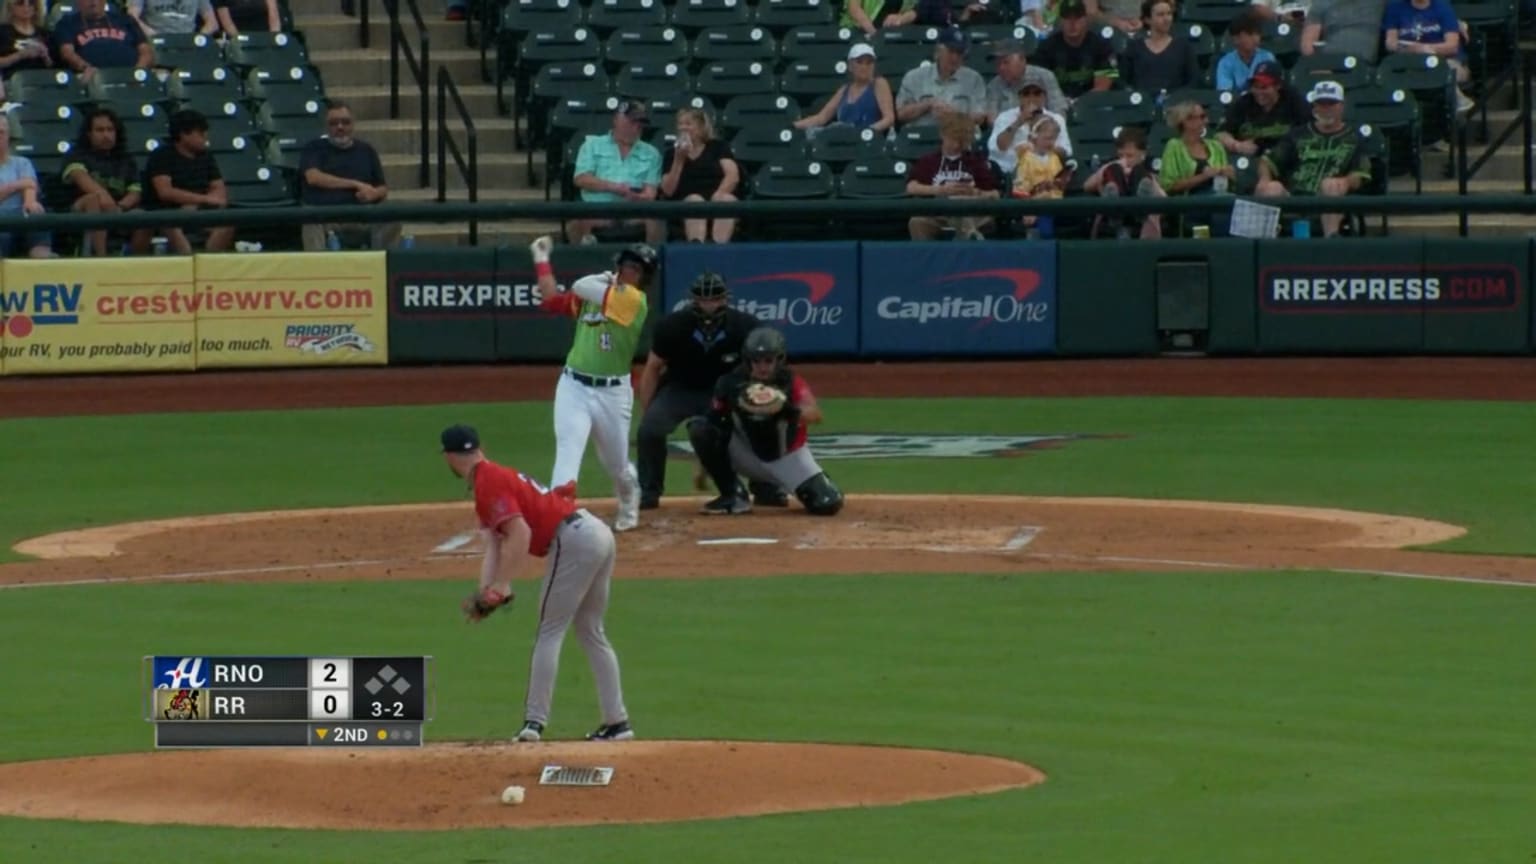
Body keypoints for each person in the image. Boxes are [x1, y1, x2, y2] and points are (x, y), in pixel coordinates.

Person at [439, 423, 634, 744]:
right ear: (478, 448)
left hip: (574, 540)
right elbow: (495, 547)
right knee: (591, 631)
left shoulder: (488, 482)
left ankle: (534, 724)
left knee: (550, 630)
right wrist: (487, 591)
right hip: (596, 532)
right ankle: (618, 722)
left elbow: (521, 534)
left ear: (448, 457)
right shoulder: (493, 477)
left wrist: (502, 585)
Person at [532, 235, 653, 532]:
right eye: (626, 265)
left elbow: (580, 286)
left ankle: (629, 496)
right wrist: (541, 259)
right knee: (568, 450)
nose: (629, 271)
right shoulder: (595, 295)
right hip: (573, 386)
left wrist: (600, 280)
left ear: (644, 278)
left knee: (616, 464)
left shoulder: (634, 301)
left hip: (612, 393)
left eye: (636, 269)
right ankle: (558, 515)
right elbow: (551, 300)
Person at [634, 271, 768, 510]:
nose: (709, 305)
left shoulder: (745, 326)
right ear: (693, 299)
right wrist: (647, 411)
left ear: (725, 298)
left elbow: (757, 371)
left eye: (715, 298)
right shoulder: (672, 326)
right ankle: (648, 491)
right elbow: (653, 367)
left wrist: (750, 403)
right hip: (679, 388)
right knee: (649, 431)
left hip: (722, 391)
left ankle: (765, 487)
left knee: (755, 425)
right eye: (703, 299)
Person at [686, 327, 844, 517]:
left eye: (768, 361)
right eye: (757, 361)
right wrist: (702, 467)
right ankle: (733, 496)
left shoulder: (790, 382)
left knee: (827, 503)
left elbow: (815, 414)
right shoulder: (730, 383)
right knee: (699, 427)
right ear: (748, 360)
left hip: (787, 456)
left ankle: (767, 488)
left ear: (779, 360)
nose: (762, 367)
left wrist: (785, 410)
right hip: (747, 453)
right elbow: (713, 423)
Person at [1257, 79, 1370, 238]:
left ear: (1342, 106)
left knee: (1330, 185)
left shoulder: (1354, 138)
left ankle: (1330, 240)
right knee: (1270, 188)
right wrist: (1264, 179)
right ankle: (1262, 247)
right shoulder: (1298, 134)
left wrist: (1345, 182)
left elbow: (1361, 174)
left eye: (1331, 104)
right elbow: (1267, 161)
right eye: (1321, 104)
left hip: (1330, 199)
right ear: (1314, 107)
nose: (1326, 109)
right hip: (1294, 198)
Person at [298, 100, 400, 251]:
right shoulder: (313, 148)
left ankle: (383, 262)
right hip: (326, 219)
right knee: (310, 219)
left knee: (391, 215)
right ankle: (319, 265)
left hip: (362, 218)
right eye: (334, 123)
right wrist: (356, 184)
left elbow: (382, 188)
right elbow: (313, 178)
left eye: (345, 122)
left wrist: (373, 193)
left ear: (353, 124)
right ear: (326, 126)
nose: (340, 127)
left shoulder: (366, 150)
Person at [136, 108, 234, 254]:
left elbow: (219, 190)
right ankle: (187, 259)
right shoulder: (161, 156)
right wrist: (202, 200)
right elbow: (165, 192)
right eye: (200, 133)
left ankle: (208, 259)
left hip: (200, 212)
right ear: (184, 134)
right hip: (168, 212)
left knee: (227, 223)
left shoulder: (206, 157)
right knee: (170, 225)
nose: (205, 137)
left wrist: (198, 204)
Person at [566, 99, 663, 246]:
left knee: (655, 218)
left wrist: (638, 197)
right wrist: (615, 187)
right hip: (597, 208)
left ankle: (652, 256)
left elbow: (650, 193)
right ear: (616, 120)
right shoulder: (592, 145)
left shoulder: (651, 153)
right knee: (579, 220)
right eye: (632, 122)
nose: (636, 127)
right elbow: (581, 179)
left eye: (640, 123)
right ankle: (585, 257)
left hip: (634, 209)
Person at [906, 113, 999, 241]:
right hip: (938, 212)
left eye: (962, 141)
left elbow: (995, 194)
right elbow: (911, 187)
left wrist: (975, 192)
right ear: (943, 135)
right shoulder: (929, 161)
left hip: (971, 212)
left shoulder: (976, 162)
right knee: (917, 222)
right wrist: (941, 190)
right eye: (953, 139)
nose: (956, 145)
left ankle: (968, 241)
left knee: (961, 206)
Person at [63, 107, 141, 258]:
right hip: (79, 210)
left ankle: (135, 260)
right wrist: (103, 196)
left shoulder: (126, 159)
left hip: (118, 209)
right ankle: (101, 258)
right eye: (100, 130)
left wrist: (120, 206)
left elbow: (135, 191)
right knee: (94, 200)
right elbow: (79, 175)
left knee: (141, 215)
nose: (106, 135)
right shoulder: (76, 154)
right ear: (89, 134)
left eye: (110, 130)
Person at [659, 107, 740, 244]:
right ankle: (697, 247)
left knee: (726, 200)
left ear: (701, 127)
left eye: (688, 124)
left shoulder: (718, 147)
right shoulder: (671, 154)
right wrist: (679, 160)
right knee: (695, 201)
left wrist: (719, 194)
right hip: (686, 201)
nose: (683, 128)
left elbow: (733, 176)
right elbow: (668, 190)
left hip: (717, 196)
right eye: (680, 124)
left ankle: (718, 248)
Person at [1159, 100, 1235, 237]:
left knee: (1231, 203)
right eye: (1200, 117)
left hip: (1218, 197)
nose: (1205, 121)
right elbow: (1169, 185)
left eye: (1204, 116)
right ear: (1185, 121)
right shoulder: (1174, 146)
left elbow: (1227, 183)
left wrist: (1229, 174)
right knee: (1222, 206)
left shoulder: (1216, 146)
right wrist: (1204, 176)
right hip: (1189, 202)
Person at [1383, 0, 1475, 113]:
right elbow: (1390, 42)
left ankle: (1456, 102)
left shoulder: (1443, 7)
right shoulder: (1395, 7)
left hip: (1448, 62)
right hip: (1411, 64)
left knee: (1437, 62)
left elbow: (1452, 46)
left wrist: (1425, 49)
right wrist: (1404, 48)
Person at [793, 43, 897, 135]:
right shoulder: (844, 90)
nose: (864, 67)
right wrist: (793, 125)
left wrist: (866, 132)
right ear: (850, 66)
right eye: (859, 62)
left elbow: (889, 118)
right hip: (844, 140)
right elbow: (821, 118)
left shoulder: (879, 84)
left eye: (869, 62)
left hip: (868, 141)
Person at [895, 27, 988, 128]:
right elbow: (900, 115)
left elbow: (980, 118)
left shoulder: (974, 79)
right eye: (951, 51)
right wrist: (928, 104)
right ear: (938, 51)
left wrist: (954, 115)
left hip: (959, 134)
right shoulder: (914, 77)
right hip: (922, 134)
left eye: (959, 52)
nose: (955, 57)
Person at [1084, 125, 1164, 239]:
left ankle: (1141, 206)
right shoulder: (1112, 167)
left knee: (1140, 174)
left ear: (1143, 154)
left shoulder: (1148, 171)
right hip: (1112, 223)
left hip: (1141, 224)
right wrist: (1106, 170)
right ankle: (1114, 208)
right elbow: (1087, 186)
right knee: (1113, 171)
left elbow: (1163, 198)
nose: (1124, 160)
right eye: (1121, 155)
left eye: (1130, 156)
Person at [1217, 59, 1309, 156]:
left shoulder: (1293, 100)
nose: (1258, 92)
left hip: (1286, 156)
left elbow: (1309, 130)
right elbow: (1221, 133)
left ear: (1278, 86)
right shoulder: (1244, 102)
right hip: (1250, 158)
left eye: (1264, 87)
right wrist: (1237, 145)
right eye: (1255, 87)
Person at [1032, 0, 1119, 101]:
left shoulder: (1101, 45)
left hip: (1091, 103)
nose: (1072, 24)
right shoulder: (1046, 48)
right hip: (1056, 103)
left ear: (1086, 19)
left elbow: (1103, 86)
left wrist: (1079, 102)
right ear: (1060, 21)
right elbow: (1039, 85)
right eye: (1067, 19)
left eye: (1077, 18)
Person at [990, 80, 1072, 177]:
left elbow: (1066, 152)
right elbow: (999, 147)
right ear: (1020, 98)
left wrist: (1046, 144)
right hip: (1009, 171)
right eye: (1026, 94)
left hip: (1046, 172)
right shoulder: (1004, 117)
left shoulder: (1057, 119)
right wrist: (1018, 122)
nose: (1031, 98)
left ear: (1044, 97)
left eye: (1037, 94)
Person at [54, 0, 156, 78]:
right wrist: (85, 67)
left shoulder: (125, 20)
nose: (94, 2)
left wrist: (138, 71)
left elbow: (146, 51)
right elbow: (67, 53)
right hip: (92, 77)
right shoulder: (67, 23)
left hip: (132, 75)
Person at [1120, 0, 1200, 94]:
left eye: (1169, 14)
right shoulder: (1134, 47)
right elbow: (1123, 80)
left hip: (1175, 100)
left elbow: (1193, 81)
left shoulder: (1184, 47)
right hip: (1142, 100)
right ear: (1147, 19)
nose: (1166, 19)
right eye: (1160, 15)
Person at [1009, 115, 1070, 238]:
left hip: (1053, 203)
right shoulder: (1026, 159)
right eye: (1047, 138)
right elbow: (1020, 188)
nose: (1050, 143)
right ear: (1034, 137)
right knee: (1040, 220)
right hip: (1032, 203)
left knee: (1046, 216)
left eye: (1053, 139)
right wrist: (1030, 209)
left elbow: (1058, 186)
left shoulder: (1055, 158)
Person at [0, 115, 51, 258]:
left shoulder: (22, 163)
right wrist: (17, 185)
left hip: (20, 214)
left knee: (36, 213)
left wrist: (30, 201)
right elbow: (26, 182)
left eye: (1, 132)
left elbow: (30, 187)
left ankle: (41, 255)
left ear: (8, 136)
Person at [982, 38, 1068, 123]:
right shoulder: (994, 85)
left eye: (1006, 62)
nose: (1001, 68)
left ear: (1022, 60)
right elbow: (993, 120)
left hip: (1043, 128)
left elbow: (1059, 112)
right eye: (998, 64)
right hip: (1008, 130)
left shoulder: (1044, 76)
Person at [1301, 0, 1388, 64]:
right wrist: (1318, 66)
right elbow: (1308, 43)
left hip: (1365, 63)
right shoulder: (1322, 3)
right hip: (1330, 60)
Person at [1214, 10, 1278, 92]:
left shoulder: (1267, 57)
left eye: (1257, 34)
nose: (1255, 38)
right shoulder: (1225, 63)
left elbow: (1272, 88)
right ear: (1235, 39)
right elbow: (1225, 92)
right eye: (1250, 34)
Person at [0, 0, 53, 79]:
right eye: (20, 3)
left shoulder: (45, 34)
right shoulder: (2, 32)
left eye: (31, 3)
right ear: (10, 8)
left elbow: (54, 67)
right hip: (12, 80)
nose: (26, 6)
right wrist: (20, 55)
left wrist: (46, 56)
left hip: (42, 80)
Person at [129, 0, 219, 36]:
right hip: (155, 39)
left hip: (187, 43)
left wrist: (198, 38)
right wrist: (150, 34)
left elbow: (212, 23)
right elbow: (132, 16)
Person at [212, 0, 280, 34]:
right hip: (238, 34)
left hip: (265, 33)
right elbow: (226, 22)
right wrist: (239, 39)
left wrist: (273, 37)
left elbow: (273, 14)